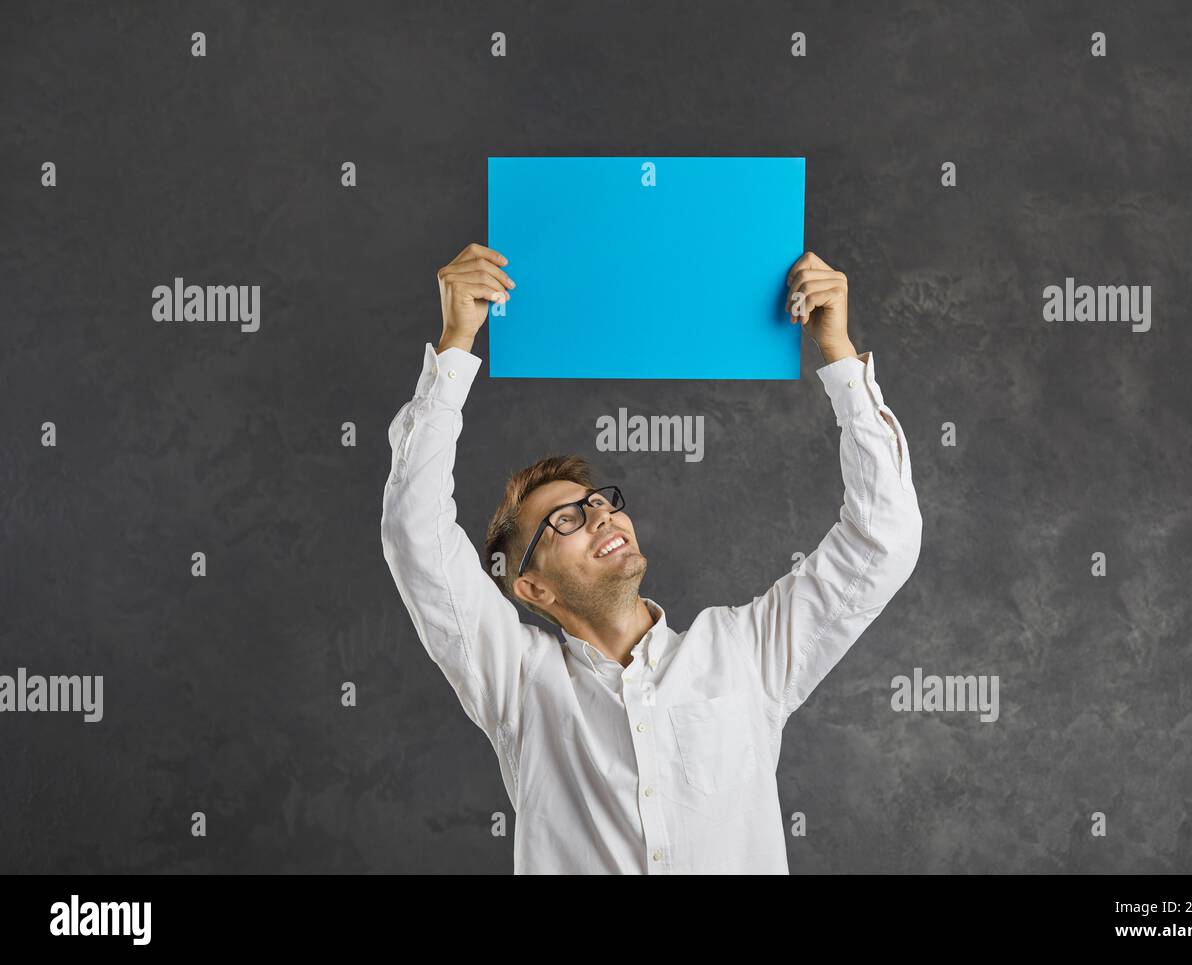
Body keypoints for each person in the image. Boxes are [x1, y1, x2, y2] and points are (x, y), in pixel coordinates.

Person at [380, 242, 923, 873]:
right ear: (530, 588)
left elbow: (884, 537)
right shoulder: (520, 683)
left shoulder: (745, 651)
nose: (601, 516)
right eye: (566, 520)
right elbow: (415, 533)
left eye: (601, 502)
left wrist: (840, 356)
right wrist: (455, 345)